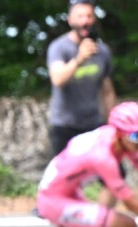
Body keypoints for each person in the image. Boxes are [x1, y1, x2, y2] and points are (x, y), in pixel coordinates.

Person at [47, 0, 117, 157]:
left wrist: (113, 124)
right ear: (70, 20)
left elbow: (107, 92)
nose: (84, 21)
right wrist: (79, 59)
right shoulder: (59, 48)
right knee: (63, 178)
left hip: (94, 124)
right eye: (80, 16)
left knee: (113, 172)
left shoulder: (103, 51)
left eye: (89, 16)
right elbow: (58, 79)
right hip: (64, 126)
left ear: (94, 20)